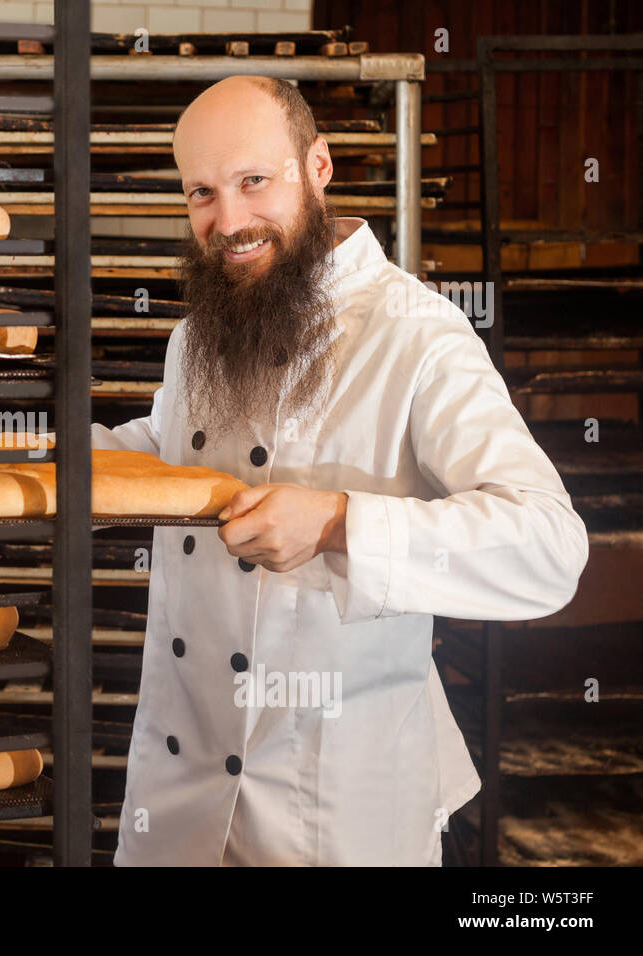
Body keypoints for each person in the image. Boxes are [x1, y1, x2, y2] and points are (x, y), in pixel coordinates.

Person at [92, 75, 590, 865]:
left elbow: (548, 545)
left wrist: (336, 524)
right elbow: (176, 449)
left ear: (318, 166)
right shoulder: (197, 335)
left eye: (254, 181)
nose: (229, 222)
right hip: (179, 797)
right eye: (201, 195)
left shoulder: (418, 334)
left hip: (337, 808)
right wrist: (45, 456)